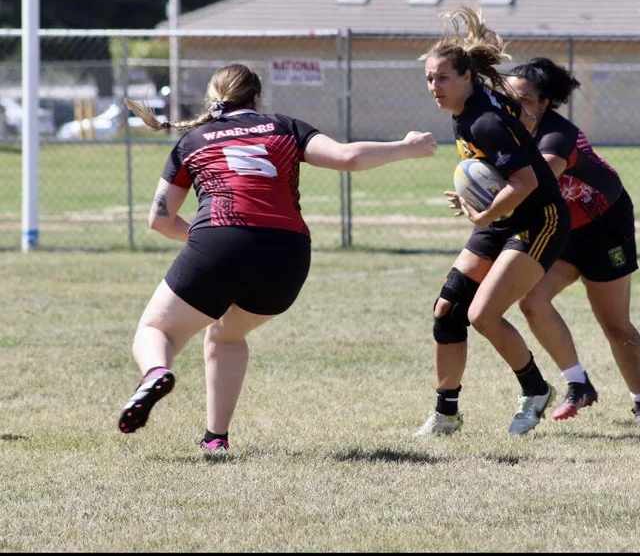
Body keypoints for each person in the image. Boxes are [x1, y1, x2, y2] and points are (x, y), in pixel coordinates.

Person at [118, 63, 436, 454]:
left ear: (213, 100)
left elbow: (159, 219)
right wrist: (408, 147)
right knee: (228, 333)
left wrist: (213, 241)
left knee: (157, 331)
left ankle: (156, 372)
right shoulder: (284, 126)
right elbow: (348, 158)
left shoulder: (193, 140)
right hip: (287, 254)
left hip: (219, 240)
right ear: (257, 98)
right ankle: (215, 438)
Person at [416, 8, 571, 436]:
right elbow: (518, 130)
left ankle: (536, 391)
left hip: (539, 220)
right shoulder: (473, 107)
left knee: (483, 314)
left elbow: (522, 181)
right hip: (502, 217)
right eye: (430, 78)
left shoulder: (484, 120)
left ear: (467, 77)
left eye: (442, 77)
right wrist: (484, 194)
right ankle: (446, 414)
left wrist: (483, 210)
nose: (434, 86)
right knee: (447, 309)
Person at [507, 58, 640, 425]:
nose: (516, 107)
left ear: (545, 103)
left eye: (525, 99)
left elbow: (537, 183)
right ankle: (578, 384)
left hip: (605, 225)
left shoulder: (556, 136)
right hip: (563, 226)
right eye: (509, 99)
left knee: (614, 324)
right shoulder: (508, 132)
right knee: (532, 301)